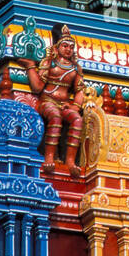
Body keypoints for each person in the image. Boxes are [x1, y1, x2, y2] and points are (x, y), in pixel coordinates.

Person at [26, 25, 85, 176]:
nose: (68, 49)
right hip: (47, 101)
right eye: (64, 46)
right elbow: (38, 87)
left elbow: (79, 91)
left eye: (71, 47)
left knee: (77, 120)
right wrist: (30, 67)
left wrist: (75, 107)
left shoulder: (75, 68)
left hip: (64, 104)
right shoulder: (49, 63)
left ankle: (70, 161)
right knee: (55, 117)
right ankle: (49, 157)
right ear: (56, 48)